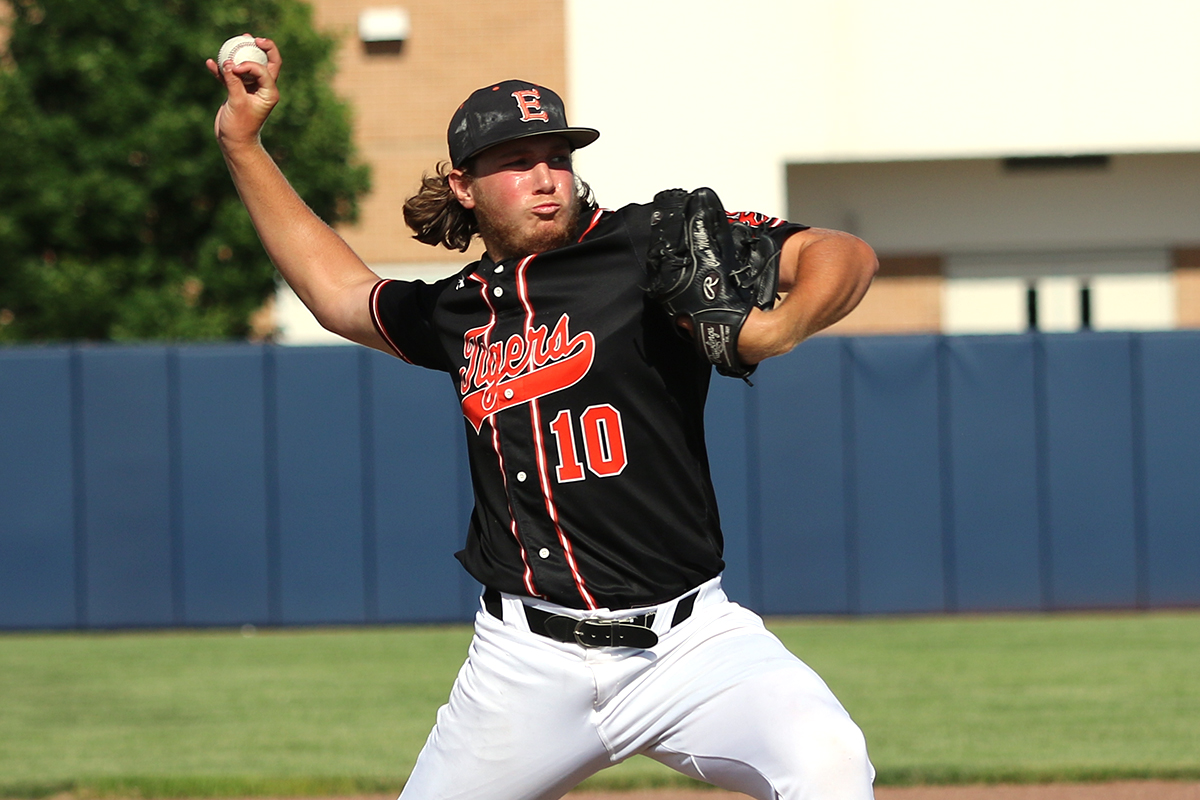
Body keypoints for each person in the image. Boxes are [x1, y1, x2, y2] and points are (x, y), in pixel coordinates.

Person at [209, 37, 878, 800]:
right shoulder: (456, 309)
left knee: (830, 762)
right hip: (525, 663)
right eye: (517, 161)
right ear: (463, 186)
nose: (546, 178)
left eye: (556, 156)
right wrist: (242, 141)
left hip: (690, 644)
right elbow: (337, 294)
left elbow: (842, 252)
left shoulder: (649, 242)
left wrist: (775, 328)